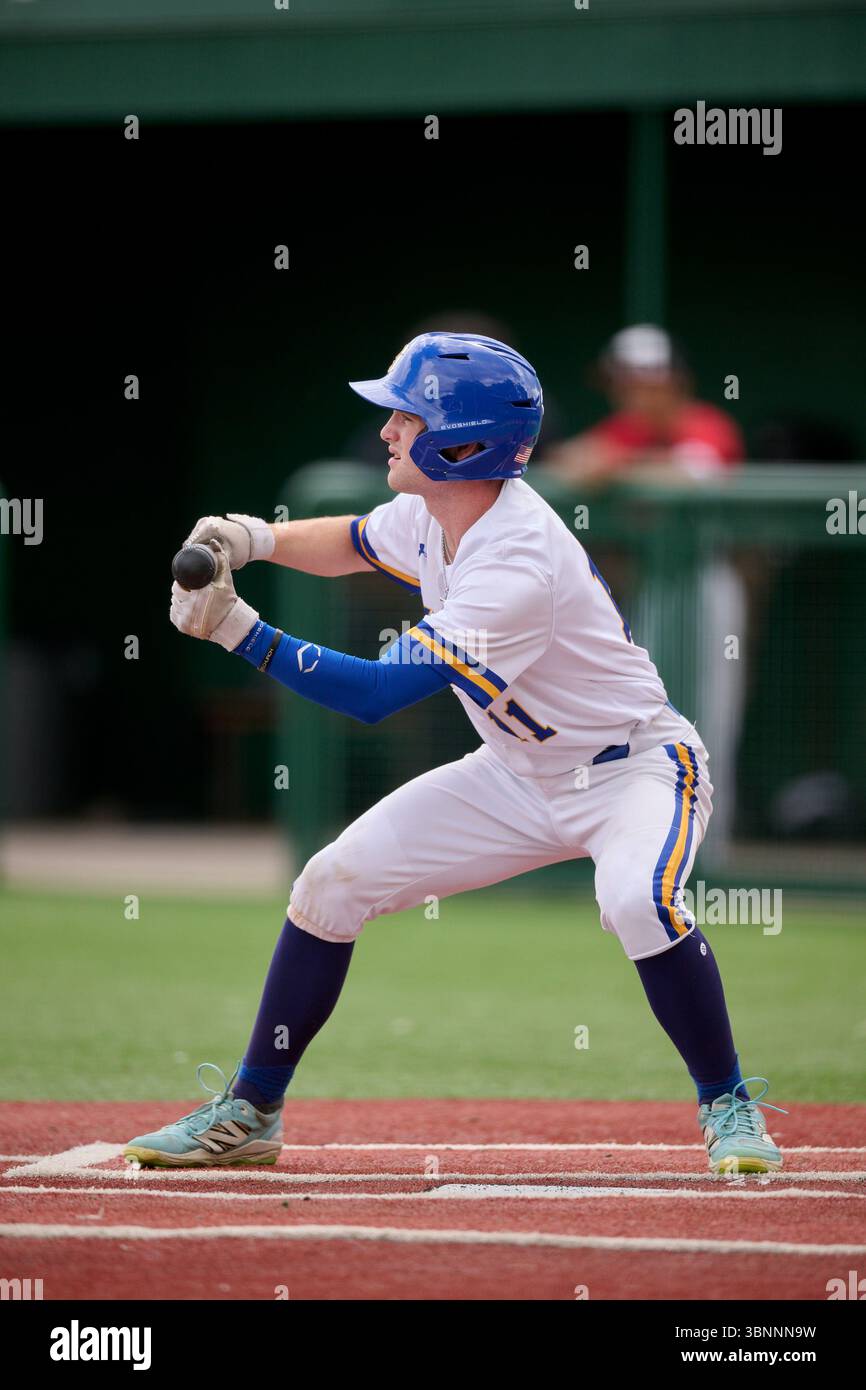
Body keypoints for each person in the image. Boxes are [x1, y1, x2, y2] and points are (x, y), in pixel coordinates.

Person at [124, 332, 784, 1175]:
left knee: (636, 900)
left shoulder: (518, 559)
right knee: (333, 882)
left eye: (406, 416)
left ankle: (729, 1102)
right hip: (517, 773)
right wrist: (253, 540)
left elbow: (372, 695)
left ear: (461, 442)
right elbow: (354, 540)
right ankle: (252, 1110)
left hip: (633, 770)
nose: (388, 431)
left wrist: (237, 631)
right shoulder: (440, 509)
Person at [544, 323, 744, 483]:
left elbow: (698, 472)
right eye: (621, 384)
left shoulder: (708, 424)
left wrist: (619, 466)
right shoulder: (629, 426)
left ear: (676, 382)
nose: (629, 395)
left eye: (644, 385)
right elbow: (568, 456)